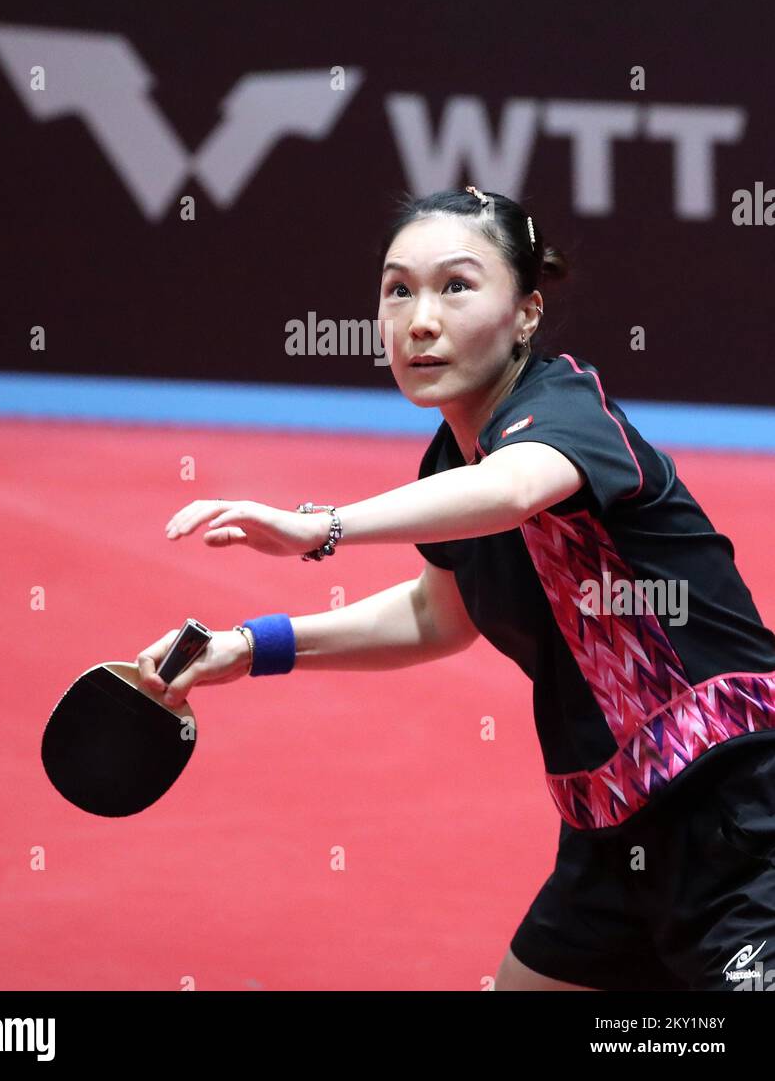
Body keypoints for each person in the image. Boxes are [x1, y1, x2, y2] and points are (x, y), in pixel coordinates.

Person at [139, 185, 775, 992]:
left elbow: (514, 491)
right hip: (610, 834)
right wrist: (249, 647)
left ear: (527, 314)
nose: (420, 319)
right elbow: (436, 615)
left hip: (742, 815)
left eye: (456, 286)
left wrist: (321, 525)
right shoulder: (448, 462)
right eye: (397, 289)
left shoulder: (567, 410)